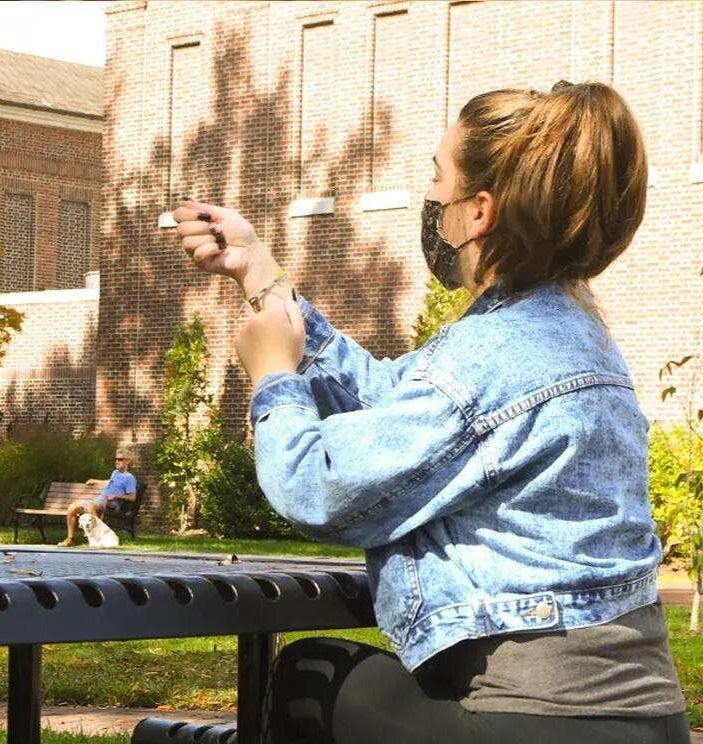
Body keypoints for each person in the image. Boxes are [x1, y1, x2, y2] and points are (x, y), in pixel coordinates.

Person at [172, 82, 689, 743]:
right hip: (649, 722)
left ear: (478, 212)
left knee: (311, 673)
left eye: (437, 177)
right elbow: (392, 403)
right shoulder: (569, 334)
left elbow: (317, 487)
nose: (431, 202)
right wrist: (264, 278)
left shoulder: (496, 352)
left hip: (543, 723)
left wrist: (273, 376)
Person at [58, 450, 137, 546]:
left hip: (112, 503)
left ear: (127, 461)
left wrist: (116, 496)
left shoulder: (130, 478)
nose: (117, 461)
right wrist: (95, 481)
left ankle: (96, 538)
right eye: (115, 459)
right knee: (72, 508)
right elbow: (110, 482)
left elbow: (132, 497)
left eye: (120, 459)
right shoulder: (115, 473)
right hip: (100, 500)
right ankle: (70, 539)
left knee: (91, 506)